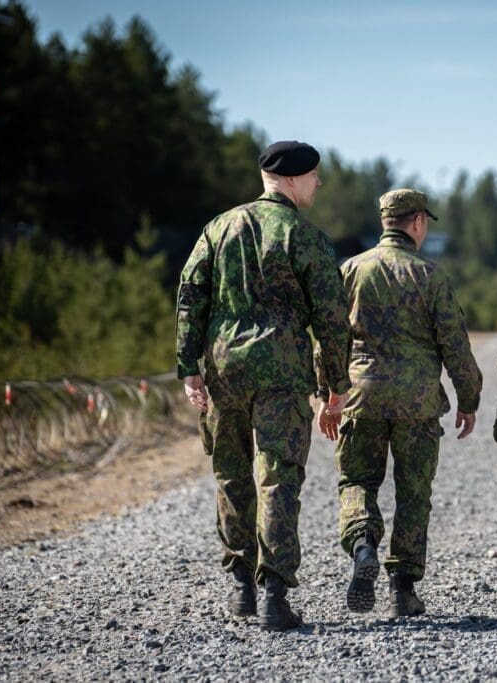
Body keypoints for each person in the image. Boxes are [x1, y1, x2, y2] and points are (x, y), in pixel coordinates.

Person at [176, 140, 351, 631]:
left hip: (224, 367)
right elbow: (332, 320)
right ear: (292, 179)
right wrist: (335, 385)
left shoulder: (219, 228)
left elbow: (190, 296)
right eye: (314, 176)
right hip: (281, 371)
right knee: (278, 476)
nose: (318, 184)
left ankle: (241, 590)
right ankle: (275, 592)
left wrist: (188, 365)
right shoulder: (306, 237)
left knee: (231, 473)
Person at [317, 189, 482, 617]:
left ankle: (363, 545)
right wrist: (469, 398)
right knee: (413, 493)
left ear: (385, 221)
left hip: (360, 396)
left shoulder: (350, 270)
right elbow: (456, 347)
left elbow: (328, 338)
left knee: (357, 481)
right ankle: (403, 591)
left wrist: (327, 395)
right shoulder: (430, 276)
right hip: (418, 402)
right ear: (417, 222)